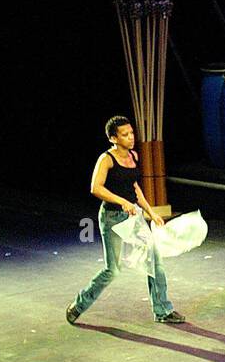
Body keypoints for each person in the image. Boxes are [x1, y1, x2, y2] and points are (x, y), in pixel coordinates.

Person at [67, 115, 186, 325]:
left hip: (133, 216)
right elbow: (96, 188)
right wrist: (121, 201)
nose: (131, 137)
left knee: (155, 261)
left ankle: (163, 310)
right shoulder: (106, 159)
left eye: (131, 133)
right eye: (125, 134)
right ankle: (79, 304)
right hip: (113, 217)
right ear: (113, 138)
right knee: (112, 270)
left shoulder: (134, 156)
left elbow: (135, 188)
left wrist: (151, 212)